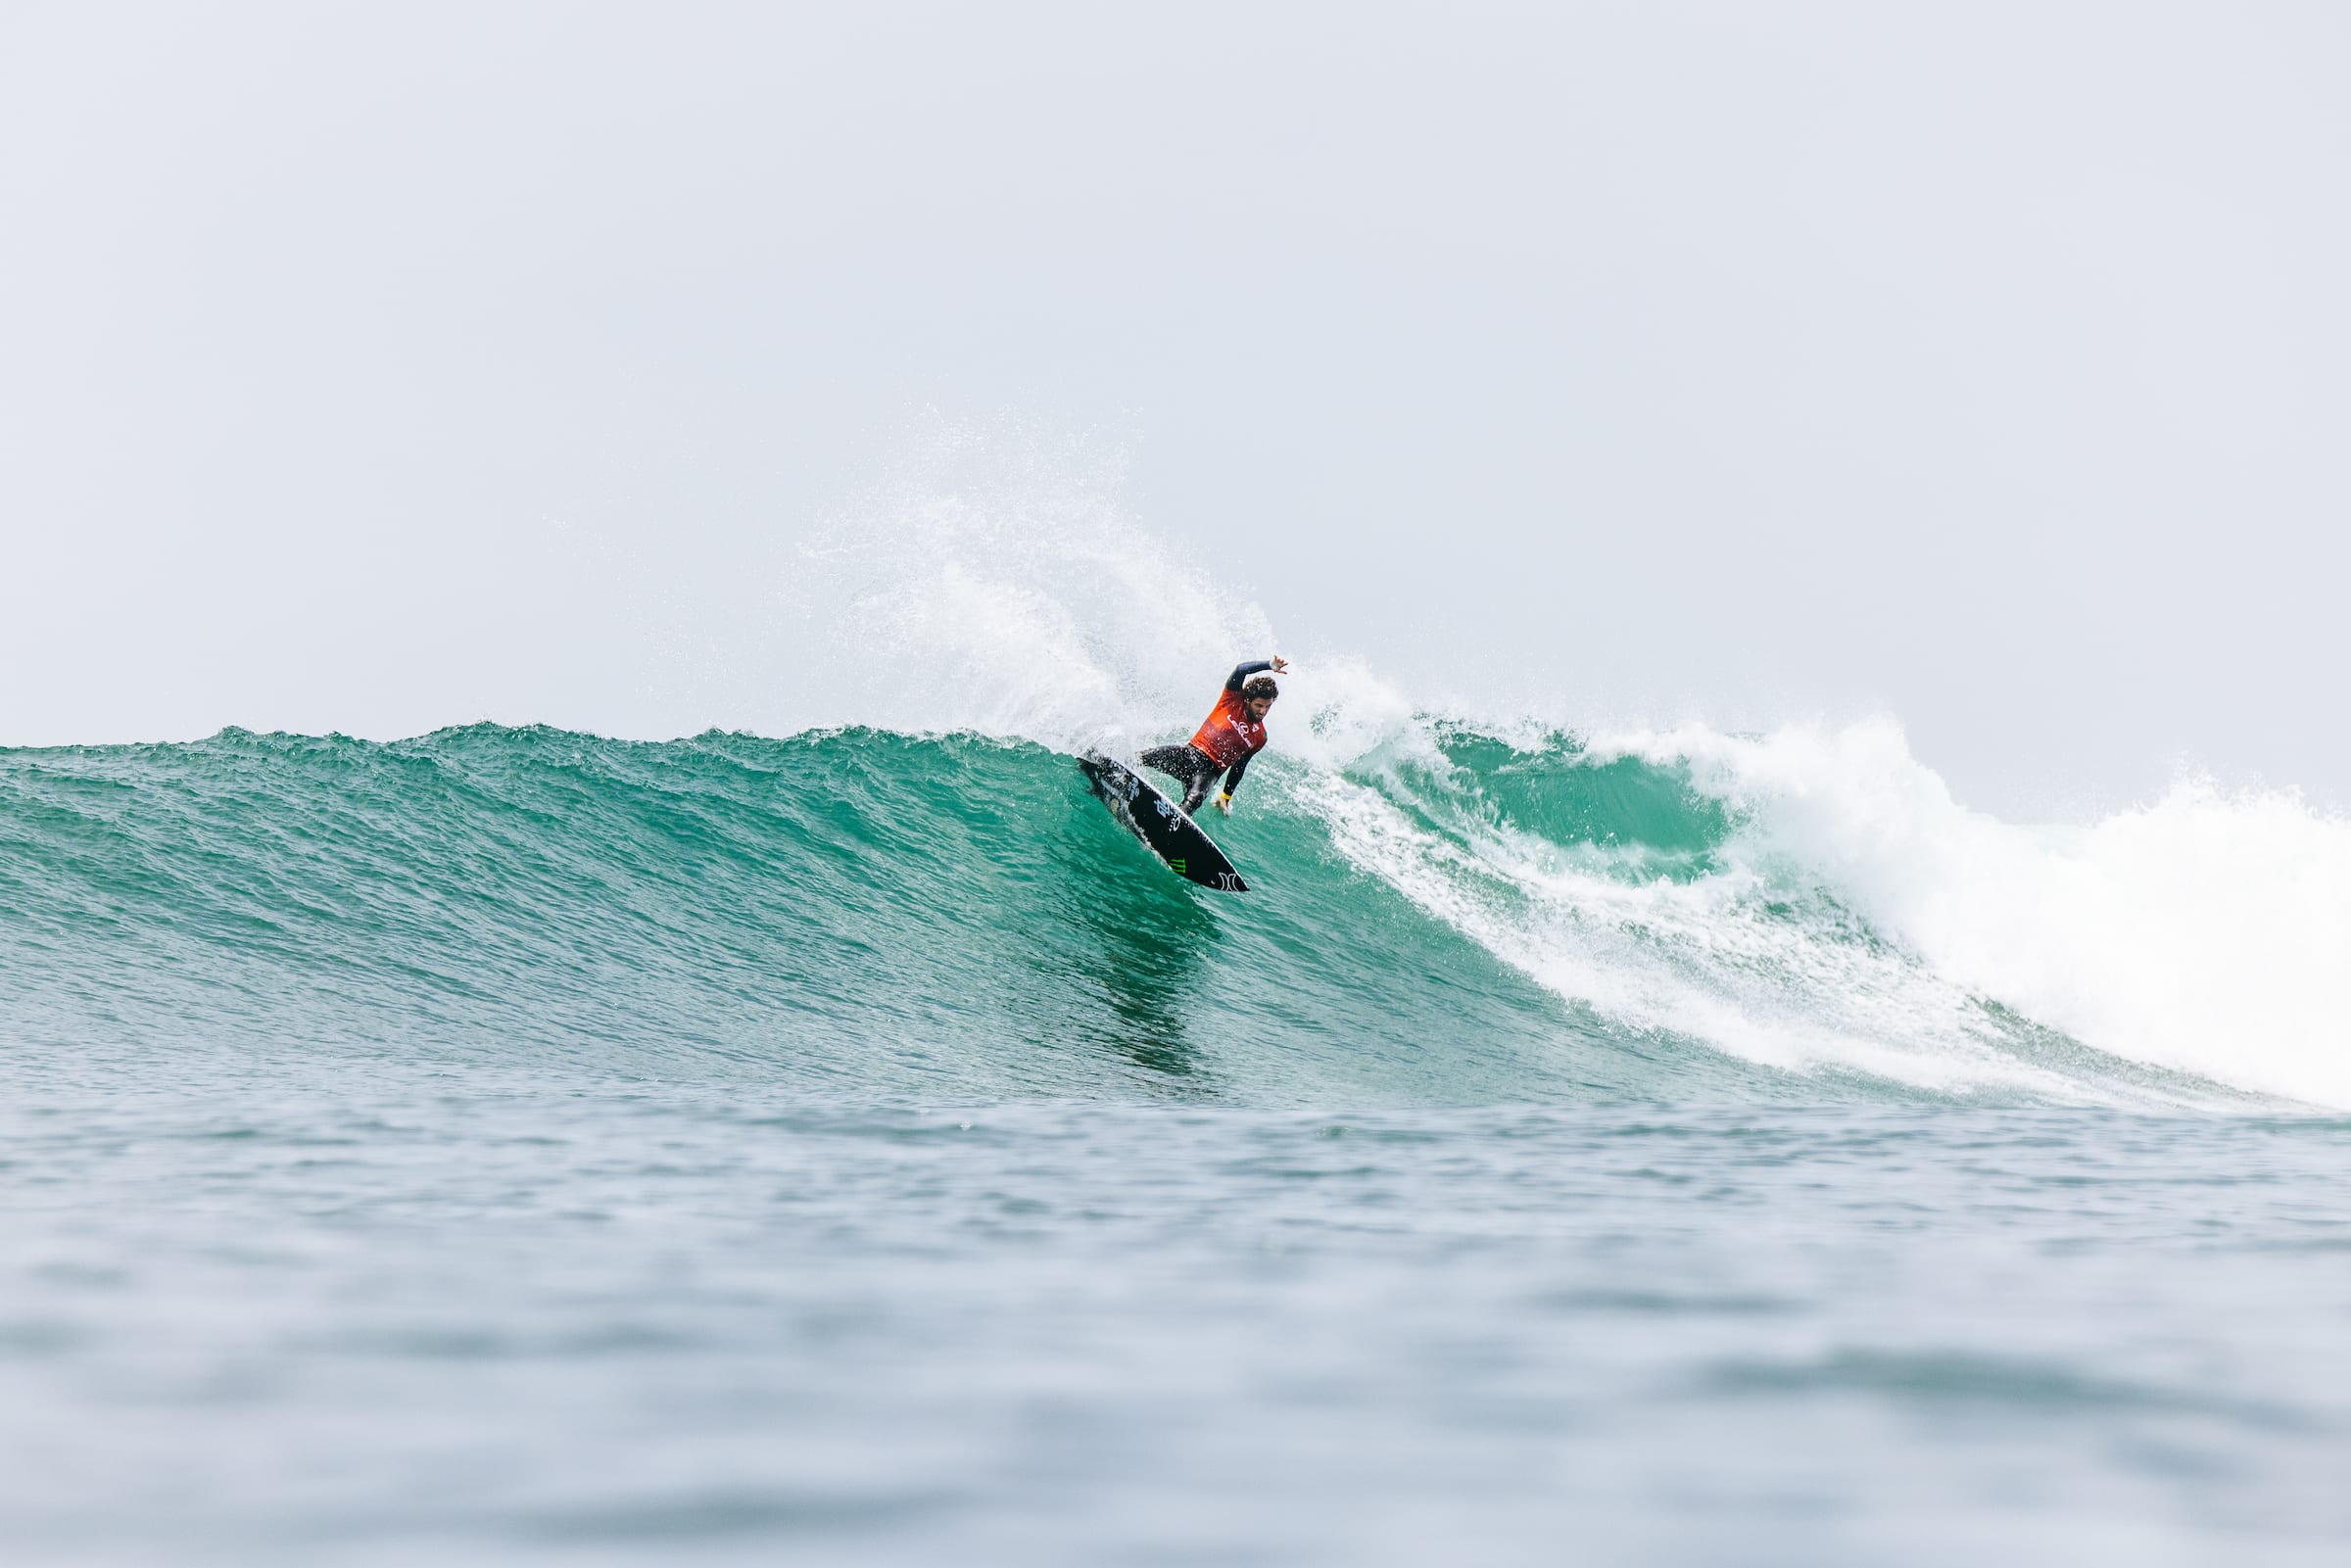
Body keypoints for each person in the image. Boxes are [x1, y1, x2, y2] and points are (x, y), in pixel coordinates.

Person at [1142, 656, 1289, 816]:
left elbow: (1240, 766)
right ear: (1248, 700)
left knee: (1195, 798)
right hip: (1190, 754)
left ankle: (1172, 826)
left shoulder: (1260, 737)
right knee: (1143, 758)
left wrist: (1226, 796)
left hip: (1209, 773)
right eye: (1259, 705)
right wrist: (1268, 665)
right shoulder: (1232, 699)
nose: (1263, 711)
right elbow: (1241, 670)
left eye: (1268, 707)